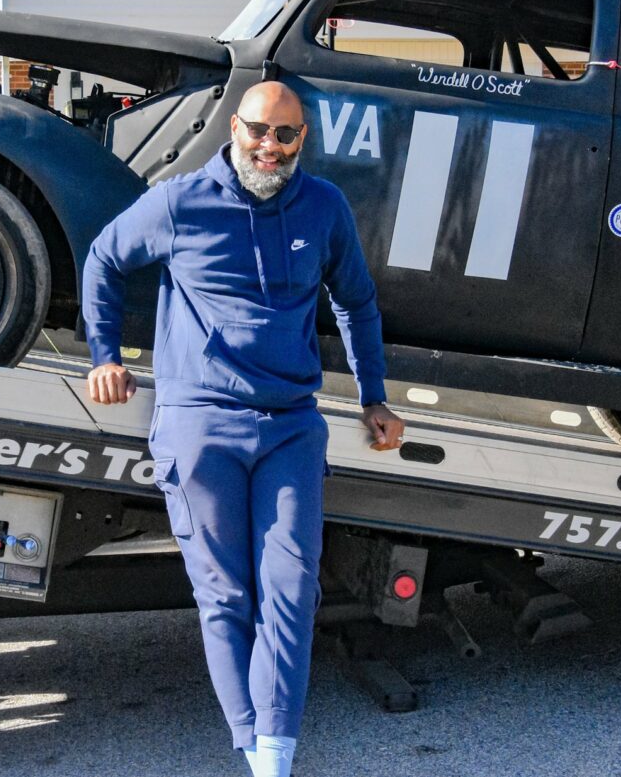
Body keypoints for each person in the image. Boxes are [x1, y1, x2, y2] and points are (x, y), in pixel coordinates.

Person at [82, 80, 404, 777]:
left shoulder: (323, 206)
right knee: (226, 595)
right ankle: (257, 749)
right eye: (259, 129)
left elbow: (356, 301)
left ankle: (276, 752)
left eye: (286, 135)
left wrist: (374, 396)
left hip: (290, 424)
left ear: (302, 140)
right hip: (200, 424)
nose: (270, 146)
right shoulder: (179, 201)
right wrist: (104, 355)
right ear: (236, 126)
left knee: (292, 588)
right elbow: (104, 257)